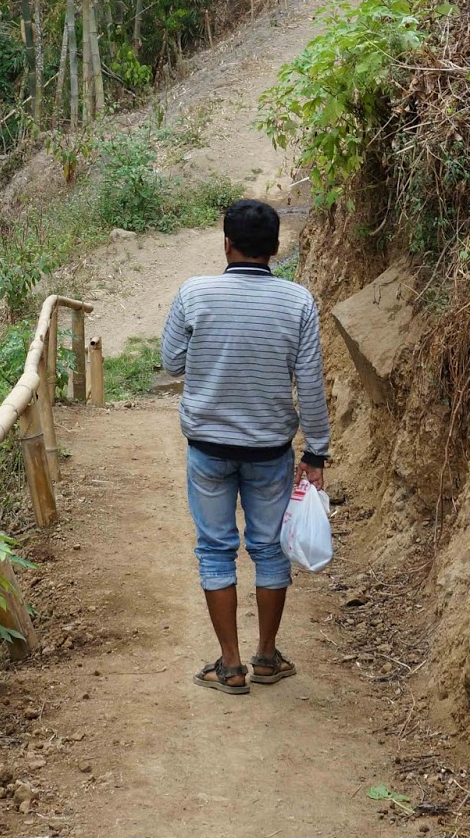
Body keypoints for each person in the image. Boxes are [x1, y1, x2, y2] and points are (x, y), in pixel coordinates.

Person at [160, 197, 330, 696]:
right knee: (269, 550)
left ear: (227, 243)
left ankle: (230, 666)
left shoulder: (195, 294)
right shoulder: (298, 302)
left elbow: (171, 362)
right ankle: (267, 656)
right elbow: (312, 384)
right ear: (276, 248)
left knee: (215, 550)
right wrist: (316, 453)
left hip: (208, 447)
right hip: (270, 451)